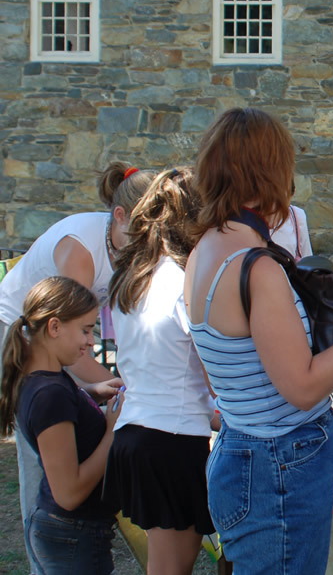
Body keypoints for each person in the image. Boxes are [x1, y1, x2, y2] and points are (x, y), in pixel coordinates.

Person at [184, 107, 333, 574]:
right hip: (279, 462)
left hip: (243, 448)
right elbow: (303, 387)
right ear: (270, 172)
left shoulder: (204, 250)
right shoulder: (256, 265)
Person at [0, 161, 152, 571]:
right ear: (119, 216)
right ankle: (46, 551)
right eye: (143, 232)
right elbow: (74, 339)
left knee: (73, 408)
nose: (148, 243)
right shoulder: (81, 249)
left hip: (54, 338)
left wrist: (99, 388)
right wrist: (126, 397)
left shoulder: (125, 246)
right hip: (17, 329)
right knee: (47, 454)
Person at [105, 168, 215, 575]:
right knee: (170, 569)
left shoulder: (132, 277)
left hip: (137, 433)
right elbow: (212, 370)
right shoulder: (182, 281)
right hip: (172, 440)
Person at [0, 276, 124, 575]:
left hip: (69, 534)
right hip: (73, 536)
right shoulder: (50, 395)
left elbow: (59, 400)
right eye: (84, 330)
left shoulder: (44, 378)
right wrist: (111, 432)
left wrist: (92, 391)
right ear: (54, 327)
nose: (91, 341)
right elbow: (68, 494)